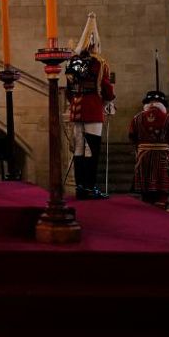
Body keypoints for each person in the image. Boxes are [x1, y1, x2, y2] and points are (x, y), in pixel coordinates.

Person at [66, 13, 116, 200]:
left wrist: (74, 103)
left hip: (77, 109)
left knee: (78, 150)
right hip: (93, 109)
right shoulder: (98, 63)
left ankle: (80, 187)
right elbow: (106, 87)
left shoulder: (73, 62)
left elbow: (69, 90)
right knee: (92, 150)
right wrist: (109, 100)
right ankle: (89, 187)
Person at [128, 91, 169, 210]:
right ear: (162, 104)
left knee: (145, 185)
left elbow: (132, 137)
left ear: (147, 103)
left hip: (143, 156)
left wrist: (140, 147)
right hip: (163, 155)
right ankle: (161, 203)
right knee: (163, 182)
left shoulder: (136, 118)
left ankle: (147, 207)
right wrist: (168, 147)